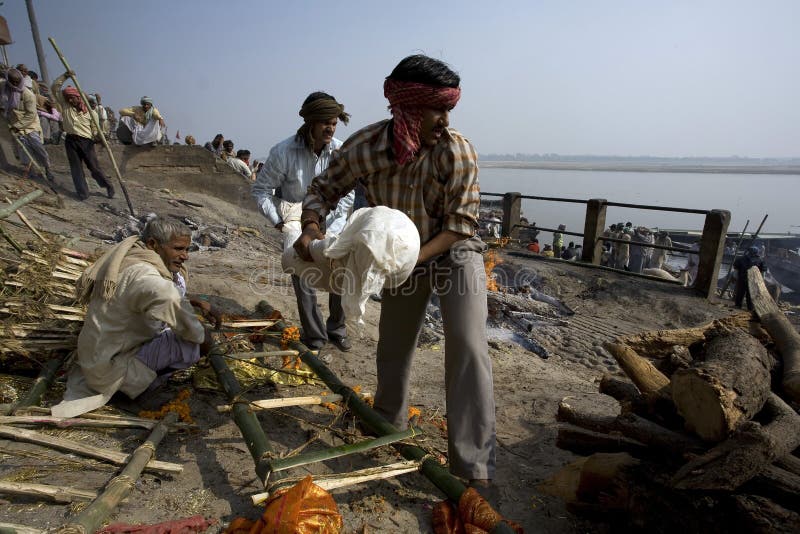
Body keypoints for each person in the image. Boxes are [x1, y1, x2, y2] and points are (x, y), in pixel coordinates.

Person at [294, 55, 496, 487]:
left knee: (468, 345)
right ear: (407, 107)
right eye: (436, 110)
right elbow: (322, 191)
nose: (444, 119)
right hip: (396, 253)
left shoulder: (456, 151)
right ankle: (388, 425)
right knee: (394, 344)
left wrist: (409, 260)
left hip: (454, 251)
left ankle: (472, 467)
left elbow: (462, 226)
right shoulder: (365, 147)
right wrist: (310, 229)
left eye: (448, 110)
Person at [53, 218, 220, 418]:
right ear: (152, 244)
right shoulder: (145, 275)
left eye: (186, 249)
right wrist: (209, 345)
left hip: (97, 357)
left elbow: (153, 295)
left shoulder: (130, 256)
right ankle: (129, 389)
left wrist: (193, 301)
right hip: (111, 368)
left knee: (172, 327)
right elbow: (170, 301)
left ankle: (135, 380)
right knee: (190, 343)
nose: (185, 256)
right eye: (178, 249)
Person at [253, 91, 354, 352]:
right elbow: (261, 190)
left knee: (341, 269)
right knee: (302, 270)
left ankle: (337, 329)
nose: (330, 128)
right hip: (295, 219)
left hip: (332, 220)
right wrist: (279, 221)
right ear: (310, 122)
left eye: (333, 122)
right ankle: (315, 335)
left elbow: (347, 192)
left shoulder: (340, 151)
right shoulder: (283, 152)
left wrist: (331, 228)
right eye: (324, 122)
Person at [51, 70, 115, 200]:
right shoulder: (66, 106)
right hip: (70, 140)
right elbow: (54, 88)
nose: (70, 100)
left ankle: (108, 186)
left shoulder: (92, 113)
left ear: (78, 97)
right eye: (68, 98)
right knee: (76, 169)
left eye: (72, 98)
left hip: (86, 142)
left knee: (94, 167)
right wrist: (65, 76)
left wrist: (98, 137)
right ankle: (83, 192)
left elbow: (95, 130)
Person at [1, 68, 54, 181]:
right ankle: (32, 173)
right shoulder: (4, 88)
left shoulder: (28, 94)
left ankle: (47, 169)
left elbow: (30, 115)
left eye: (17, 82)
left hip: (30, 125)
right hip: (14, 124)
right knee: (23, 151)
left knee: (39, 149)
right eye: (12, 82)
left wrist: (17, 126)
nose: (15, 84)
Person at [733, 246, 765, 310]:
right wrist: (762, 280)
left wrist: (735, 277)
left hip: (744, 279)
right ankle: (749, 307)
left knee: (741, 293)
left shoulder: (741, 259)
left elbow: (736, 270)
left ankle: (739, 305)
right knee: (749, 294)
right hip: (751, 280)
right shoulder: (760, 260)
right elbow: (763, 272)